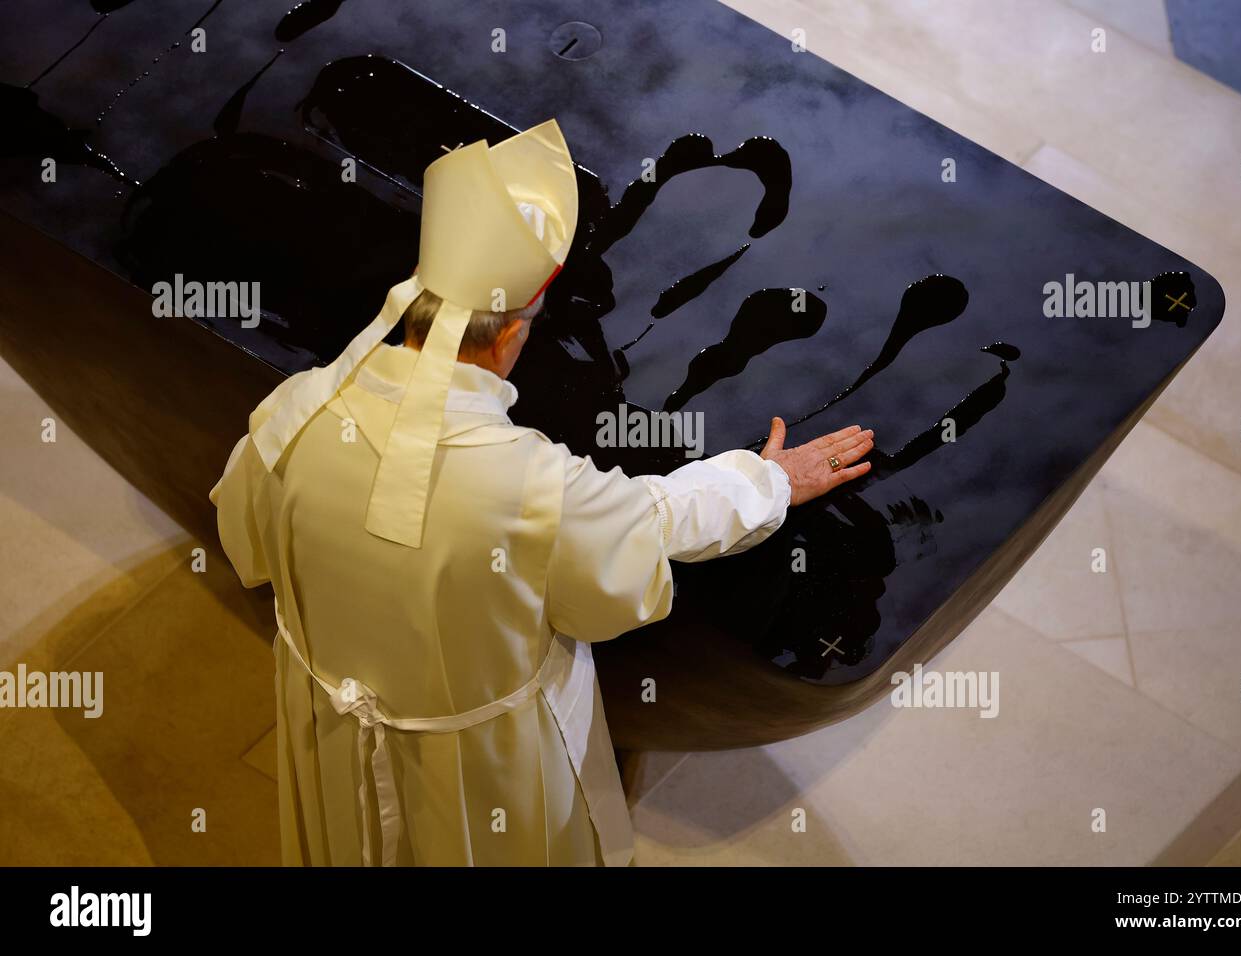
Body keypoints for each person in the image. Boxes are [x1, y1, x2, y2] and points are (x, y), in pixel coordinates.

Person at [210, 119, 873, 866]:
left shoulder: (300, 407)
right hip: (478, 756)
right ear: (510, 335)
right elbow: (649, 527)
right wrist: (768, 480)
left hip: (324, 713)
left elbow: (247, 538)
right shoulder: (522, 481)